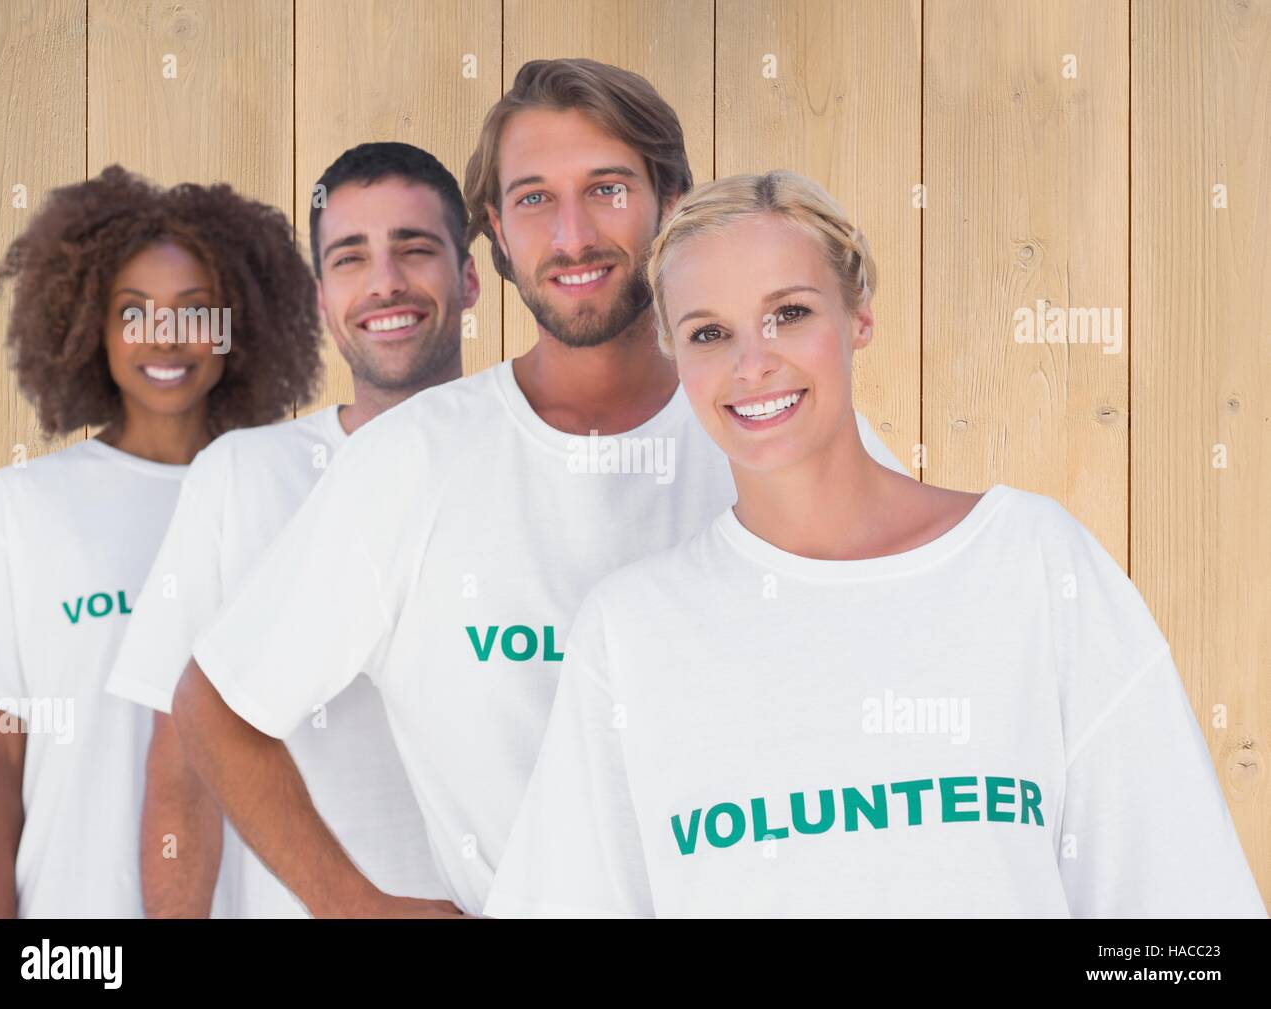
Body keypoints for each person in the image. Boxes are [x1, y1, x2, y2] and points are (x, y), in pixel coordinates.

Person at [169, 58, 908, 917]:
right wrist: (351, 903)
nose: (572, 236)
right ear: (495, 233)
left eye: (606, 189)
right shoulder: (411, 466)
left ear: (670, 202)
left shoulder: (784, 423)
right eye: (533, 200)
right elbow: (216, 703)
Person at [482, 170, 1269, 918]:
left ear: (858, 316)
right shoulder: (633, 631)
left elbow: (1186, 921)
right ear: (676, 357)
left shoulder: (1030, 564)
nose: (753, 363)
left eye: (789, 313)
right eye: (710, 331)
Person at [104, 143, 470, 918]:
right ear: (318, 299)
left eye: (415, 248)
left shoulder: (538, 463)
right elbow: (181, 771)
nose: (385, 282)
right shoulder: (242, 477)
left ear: (469, 276)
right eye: (350, 258)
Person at [0, 165, 322, 917]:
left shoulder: (291, 498)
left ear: (240, 327)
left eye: (196, 312)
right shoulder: (23, 505)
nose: (166, 336)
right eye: (134, 312)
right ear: (88, 327)